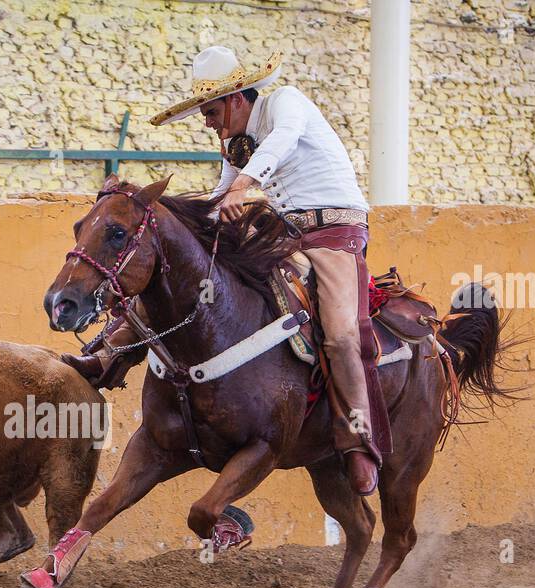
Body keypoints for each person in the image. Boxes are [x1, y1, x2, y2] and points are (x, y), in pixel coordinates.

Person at [66, 46, 385, 495]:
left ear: (237, 98)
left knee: (341, 334)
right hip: (281, 234)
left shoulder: (285, 102)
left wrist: (244, 184)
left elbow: (284, 139)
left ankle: (357, 441)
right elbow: (221, 196)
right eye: (203, 113)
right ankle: (112, 353)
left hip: (334, 232)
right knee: (188, 278)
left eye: (211, 110)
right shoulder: (235, 146)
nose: (207, 121)